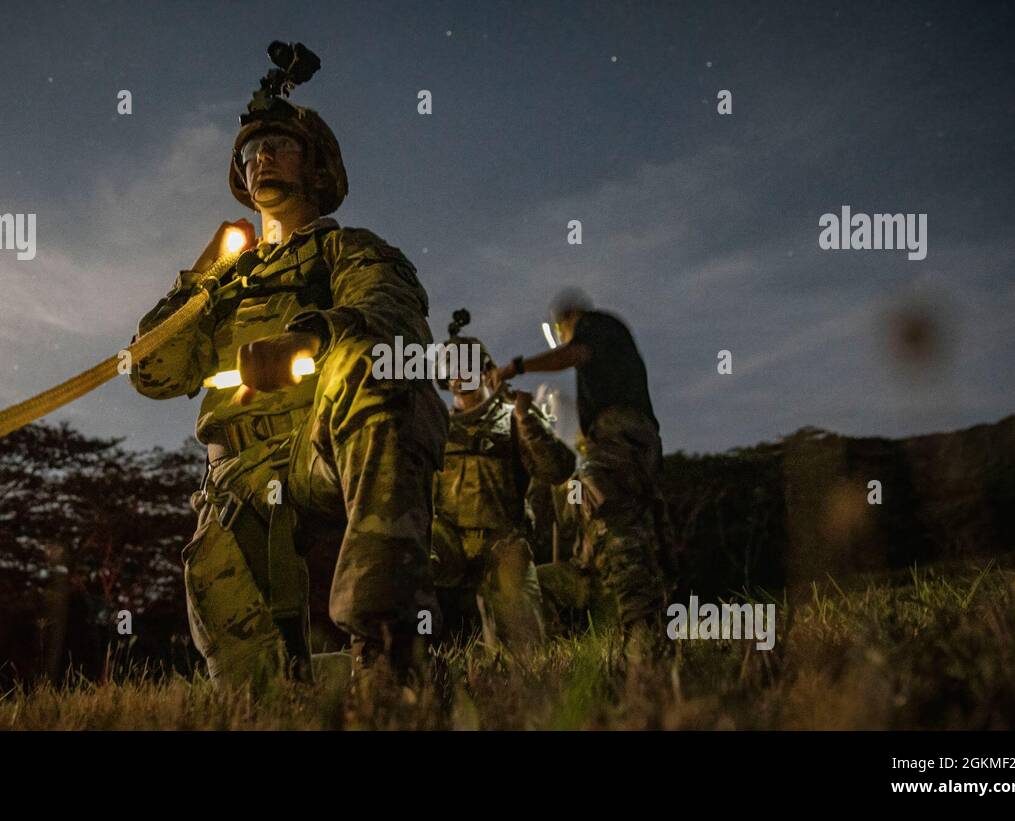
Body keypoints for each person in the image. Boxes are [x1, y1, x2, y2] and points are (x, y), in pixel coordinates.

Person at [129, 42, 447, 686]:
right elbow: (152, 373)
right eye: (250, 152)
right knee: (256, 695)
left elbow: (393, 318)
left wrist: (307, 344)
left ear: (317, 165)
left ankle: (387, 655)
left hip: (316, 447)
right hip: (234, 478)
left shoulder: (346, 248)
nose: (262, 158)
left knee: (381, 370)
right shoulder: (221, 283)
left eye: (280, 146)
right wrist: (202, 277)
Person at [488, 289, 668, 639]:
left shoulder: (596, 325)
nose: (561, 338)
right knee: (625, 521)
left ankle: (641, 629)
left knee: (609, 517)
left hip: (621, 434)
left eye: (559, 333)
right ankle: (635, 623)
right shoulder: (611, 351)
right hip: (627, 439)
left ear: (564, 322)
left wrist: (516, 367)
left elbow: (574, 353)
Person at [430, 310, 576, 656]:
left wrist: (527, 419)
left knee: (525, 638)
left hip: (503, 540)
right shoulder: (436, 426)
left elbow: (557, 469)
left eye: (465, 367)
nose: (457, 377)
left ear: (484, 371)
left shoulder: (513, 416)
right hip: (447, 541)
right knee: (410, 590)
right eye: (450, 369)